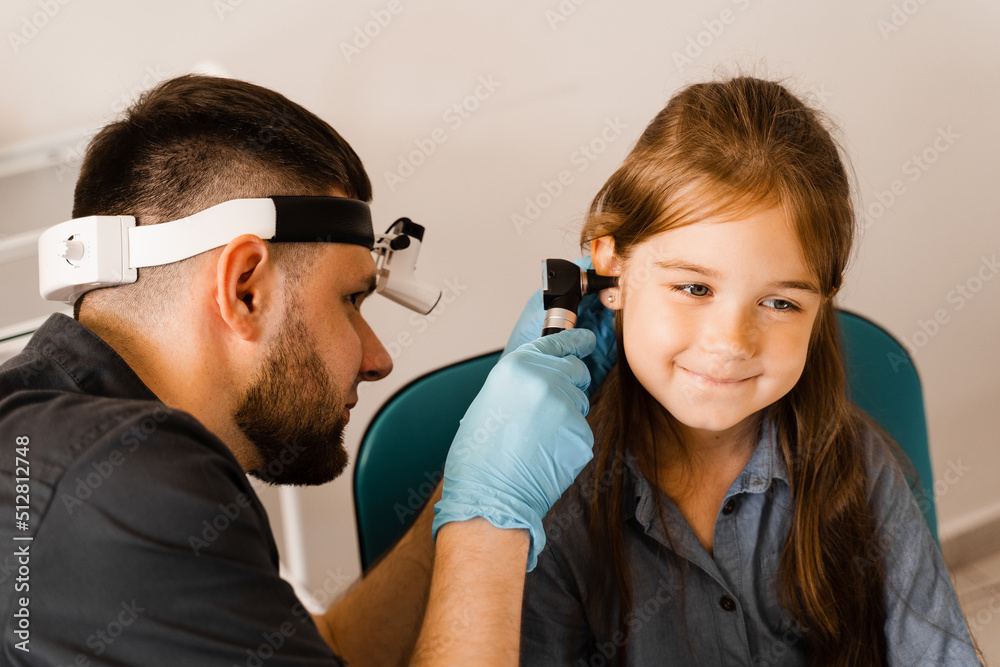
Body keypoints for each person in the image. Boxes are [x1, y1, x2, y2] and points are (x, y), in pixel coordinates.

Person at [0, 74, 602, 666]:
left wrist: (467, 482)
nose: (378, 359)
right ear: (245, 290)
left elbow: (328, 651)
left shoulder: (55, 443)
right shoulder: (127, 479)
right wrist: (489, 517)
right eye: (351, 300)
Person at [510, 76, 983, 665]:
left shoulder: (862, 471)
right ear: (613, 266)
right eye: (693, 286)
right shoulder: (553, 504)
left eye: (781, 302)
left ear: (823, 300)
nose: (731, 342)